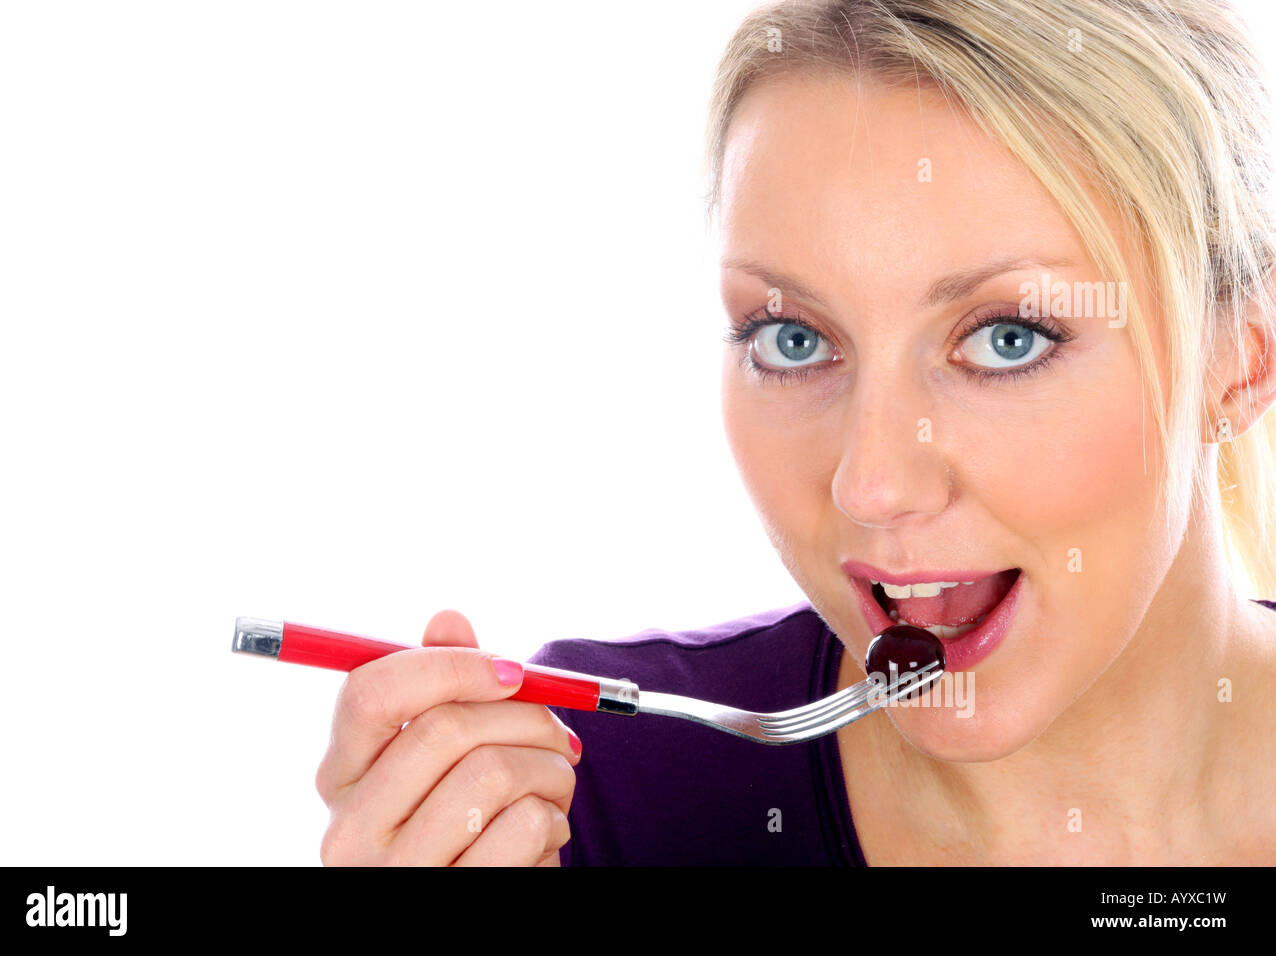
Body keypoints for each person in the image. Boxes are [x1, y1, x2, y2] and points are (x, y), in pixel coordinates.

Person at [314, 0, 1276, 865]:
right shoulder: (586, 797)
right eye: (795, 338)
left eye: (1007, 338)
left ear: (1242, 359)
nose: (871, 483)